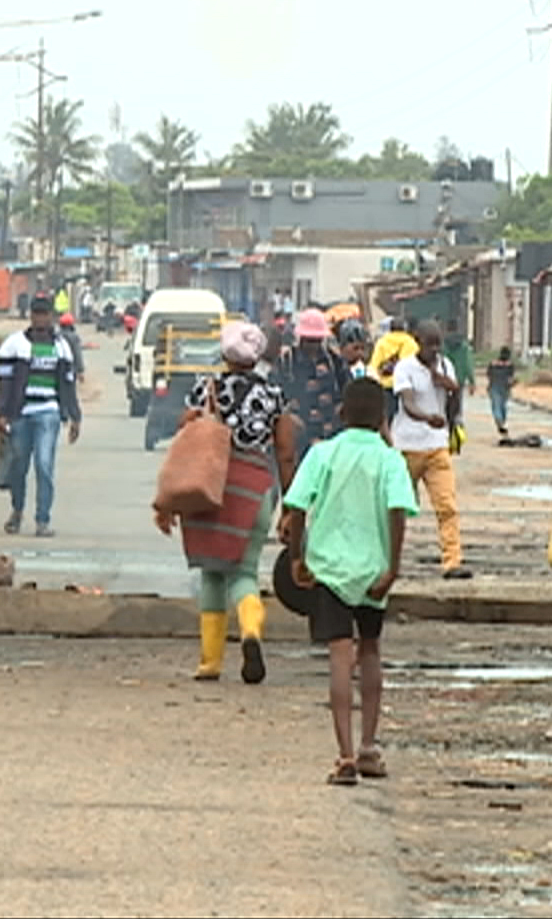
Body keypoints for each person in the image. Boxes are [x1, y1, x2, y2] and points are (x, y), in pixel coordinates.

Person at [282, 377, 417, 786]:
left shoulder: (323, 453)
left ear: (341, 413)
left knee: (340, 657)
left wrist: (297, 557)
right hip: (374, 570)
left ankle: (343, 756)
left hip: (328, 568)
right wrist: (392, 567)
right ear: (382, 419)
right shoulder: (391, 460)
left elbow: (297, 506)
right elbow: (398, 512)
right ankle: (369, 748)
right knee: (371, 652)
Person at [156, 321, 296, 686]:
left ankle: (210, 663)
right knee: (245, 572)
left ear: (224, 354)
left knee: (211, 572)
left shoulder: (206, 389)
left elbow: (185, 442)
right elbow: (284, 453)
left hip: (211, 489)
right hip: (255, 490)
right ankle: (250, 631)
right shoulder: (275, 395)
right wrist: (292, 507)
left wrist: (168, 501)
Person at [0, 295, 82, 537]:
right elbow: (4, 382)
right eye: (36, 314)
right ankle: (17, 510)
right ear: (30, 316)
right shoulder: (14, 345)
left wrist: (75, 417)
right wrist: (2, 413)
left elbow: (68, 385)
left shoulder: (62, 348)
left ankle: (42, 520)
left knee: (44, 466)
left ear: (51, 317)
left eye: (45, 315)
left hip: (49, 413)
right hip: (21, 415)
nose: (40, 319)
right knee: (19, 467)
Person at [393, 323, 466, 580]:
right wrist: (427, 418)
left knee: (447, 505)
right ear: (417, 341)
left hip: (437, 446)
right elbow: (408, 403)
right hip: (407, 447)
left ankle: (452, 560)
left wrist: (451, 387)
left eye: (438, 344)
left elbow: (454, 408)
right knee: (396, 508)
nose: (434, 350)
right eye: (429, 343)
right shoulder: (405, 368)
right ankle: (388, 561)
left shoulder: (446, 366)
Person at [281, 308, 350, 465]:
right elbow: (276, 396)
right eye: (309, 340)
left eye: (317, 340)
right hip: (298, 442)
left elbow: (348, 392)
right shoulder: (287, 362)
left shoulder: (335, 361)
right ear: (301, 337)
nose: (313, 345)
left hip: (330, 438)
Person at [369, 317, 419, 423]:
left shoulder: (381, 343)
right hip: (406, 388)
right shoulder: (411, 343)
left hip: (386, 388)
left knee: (389, 419)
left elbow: (374, 366)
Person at [486, 347, 517, 438]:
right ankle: (501, 423)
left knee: (497, 406)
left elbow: (488, 375)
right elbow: (510, 379)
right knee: (502, 406)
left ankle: (500, 423)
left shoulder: (493, 364)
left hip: (494, 388)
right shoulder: (510, 365)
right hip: (504, 389)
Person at [57, 312, 86, 384]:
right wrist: (80, 371)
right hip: (71, 369)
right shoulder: (74, 337)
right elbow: (77, 354)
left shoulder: (56, 336)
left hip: (57, 369)